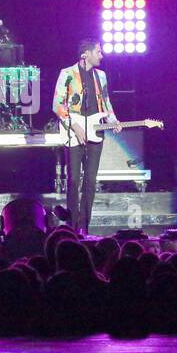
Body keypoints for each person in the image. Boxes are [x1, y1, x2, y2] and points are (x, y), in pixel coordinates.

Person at [53, 39, 120, 234]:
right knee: (74, 180)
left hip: (96, 132)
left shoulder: (101, 76)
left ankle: (84, 226)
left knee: (90, 181)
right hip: (74, 133)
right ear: (86, 54)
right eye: (98, 51)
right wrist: (74, 125)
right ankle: (71, 226)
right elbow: (58, 104)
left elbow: (106, 102)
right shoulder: (67, 74)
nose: (101, 55)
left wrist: (114, 119)